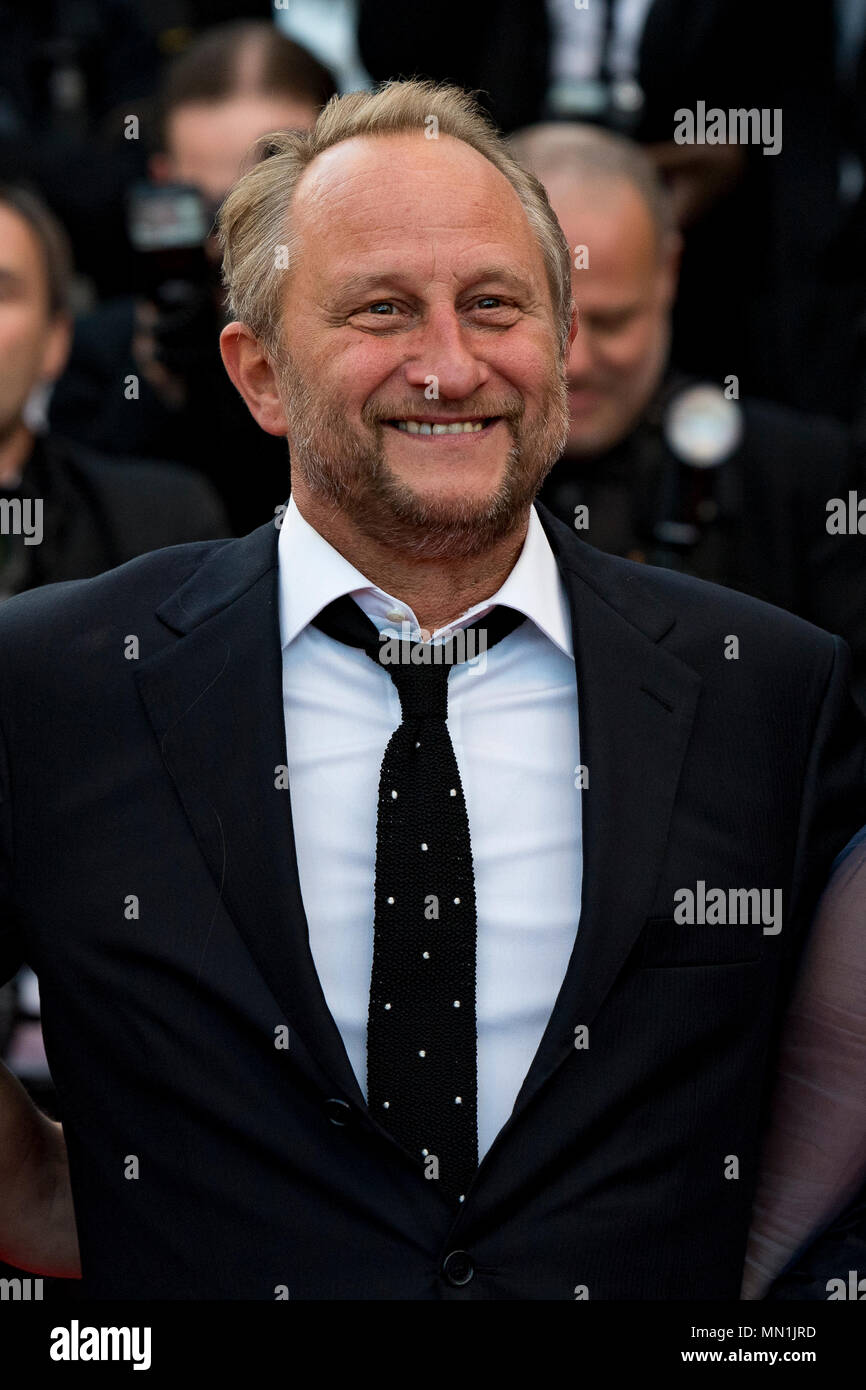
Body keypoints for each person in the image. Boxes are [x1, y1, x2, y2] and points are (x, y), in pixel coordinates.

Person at [0, 78, 865, 1300]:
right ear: (257, 375)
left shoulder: (769, 688)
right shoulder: (58, 678)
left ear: (559, 342)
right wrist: (40, 1189)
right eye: (383, 309)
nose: (450, 366)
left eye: (495, 304)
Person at [509, 122, 866, 713]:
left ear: (668, 272)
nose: (577, 363)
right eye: (546, 323)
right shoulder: (430, 472)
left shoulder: (798, 476)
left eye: (612, 322)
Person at [48, 21, 338, 536]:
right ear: (166, 184)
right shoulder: (105, 351)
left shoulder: (394, 330)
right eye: (214, 206)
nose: (241, 232)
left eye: (271, 194)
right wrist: (163, 387)